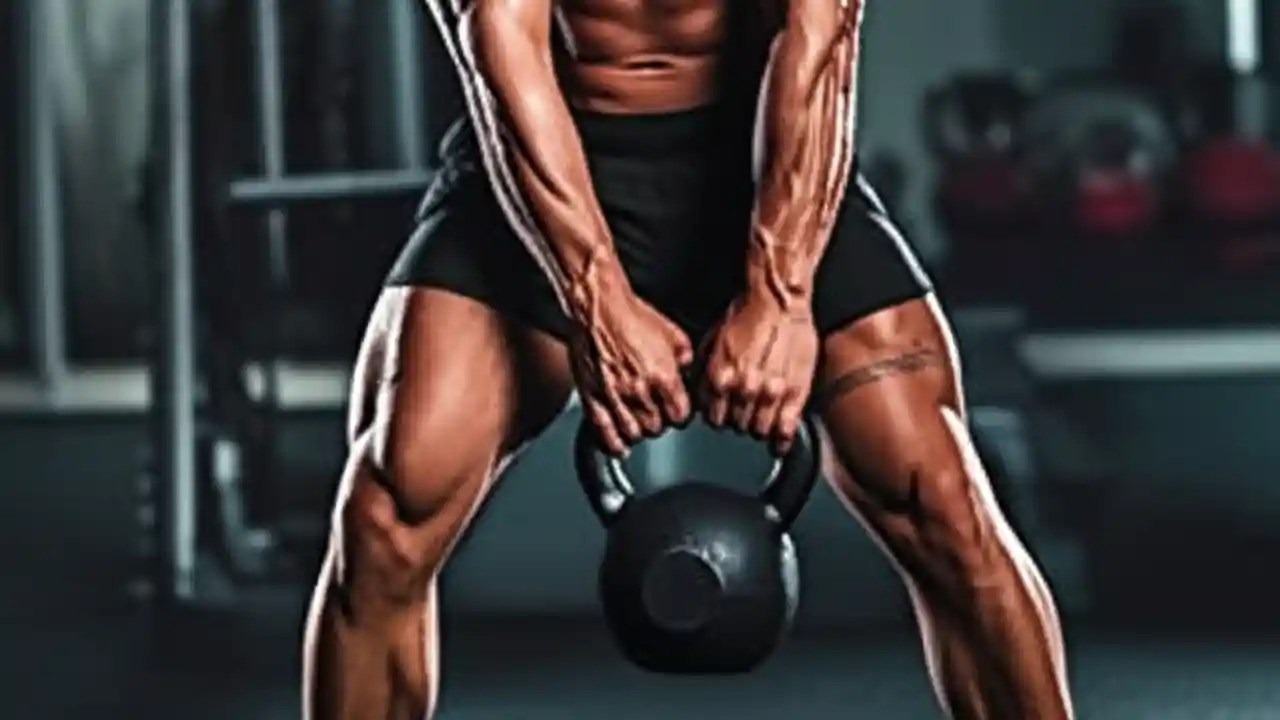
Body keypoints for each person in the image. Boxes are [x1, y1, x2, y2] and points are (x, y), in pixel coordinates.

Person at [302, 1, 1075, 718]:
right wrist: (596, 298)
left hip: (764, 155)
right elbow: (499, 48)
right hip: (545, 162)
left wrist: (780, 292)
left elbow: (819, 40)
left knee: (944, 503)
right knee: (386, 513)